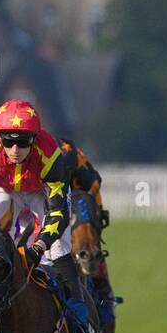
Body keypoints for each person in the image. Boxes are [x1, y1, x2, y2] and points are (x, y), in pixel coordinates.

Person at [0, 100, 95, 333]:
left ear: (35, 140)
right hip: (5, 189)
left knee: (59, 248)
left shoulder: (50, 154)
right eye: (8, 141)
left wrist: (40, 245)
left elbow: (58, 213)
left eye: (23, 142)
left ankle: (80, 322)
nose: (15, 149)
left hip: (40, 191)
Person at [58, 136, 119, 320]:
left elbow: (92, 200)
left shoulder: (85, 176)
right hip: (51, 192)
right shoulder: (43, 164)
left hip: (84, 194)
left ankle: (104, 295)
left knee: (90, 245)